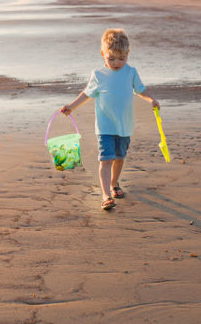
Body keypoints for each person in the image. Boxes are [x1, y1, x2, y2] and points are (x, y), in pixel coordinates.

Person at [60, 28, 159, 211]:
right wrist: (71, 107)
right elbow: (86, 94)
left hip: (124, 126)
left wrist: (151, 99)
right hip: (105, 126)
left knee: (119, 158)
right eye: (111, 58)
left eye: (122, 58)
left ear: (128, 54)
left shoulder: (131, 72)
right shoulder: (98, 75)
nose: (116, 63)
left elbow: (140, 90)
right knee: (106, 160)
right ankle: (106, 195)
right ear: (103, 54)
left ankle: (114, 184)